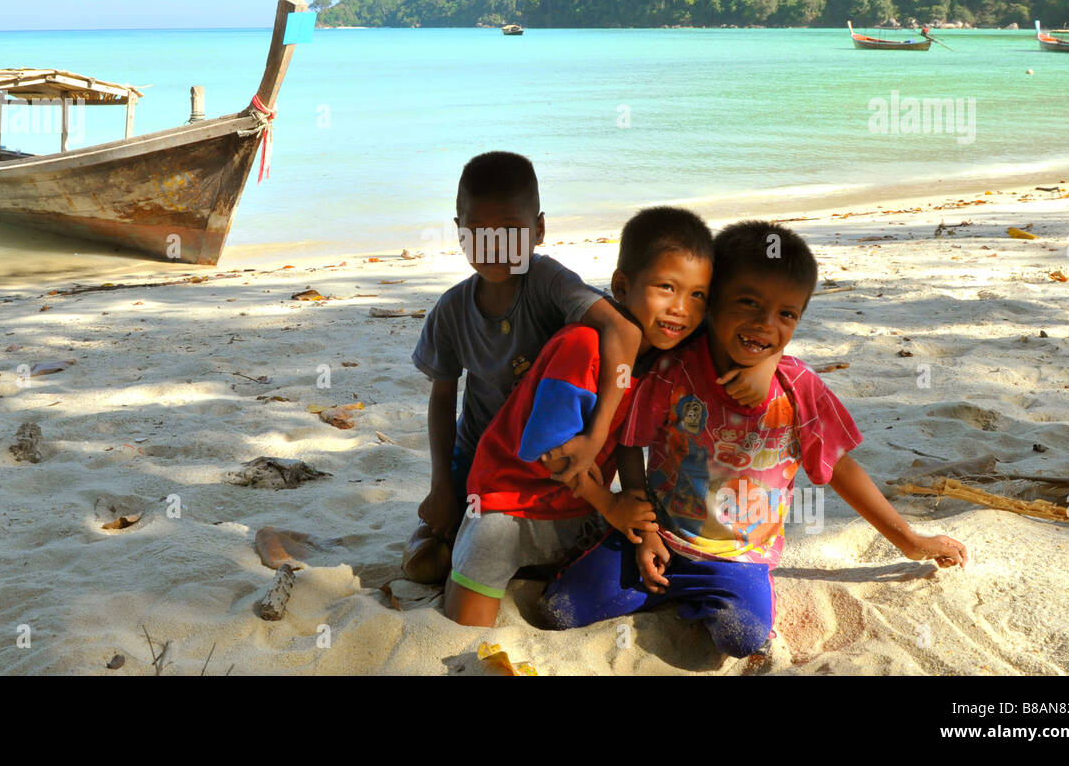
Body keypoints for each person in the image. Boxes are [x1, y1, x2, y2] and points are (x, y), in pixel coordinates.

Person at [540, 219, 968, 660]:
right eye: (747, 303)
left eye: (786, 314)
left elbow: (839, 468)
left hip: (738, 558)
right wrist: (644, 529)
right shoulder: (673, 372)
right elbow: (632, 442)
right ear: (712, 301)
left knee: (742, 638)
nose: (765, 325)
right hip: (659, 538)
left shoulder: (798, 387)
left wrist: (910, 541)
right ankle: (652, 580)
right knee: (560, 610)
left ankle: (686, 597)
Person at [408, 156, 774, 583]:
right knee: (425, 564)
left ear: (539, 230)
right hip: (481, 460)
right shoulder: (451, 311)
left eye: (510, 230)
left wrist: (765, 362)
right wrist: (439, 486)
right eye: (477, 231)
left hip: (558, 452)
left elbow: (637, 329)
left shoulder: (546, 281)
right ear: (459, 230)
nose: (494, 244)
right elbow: (441, 399)